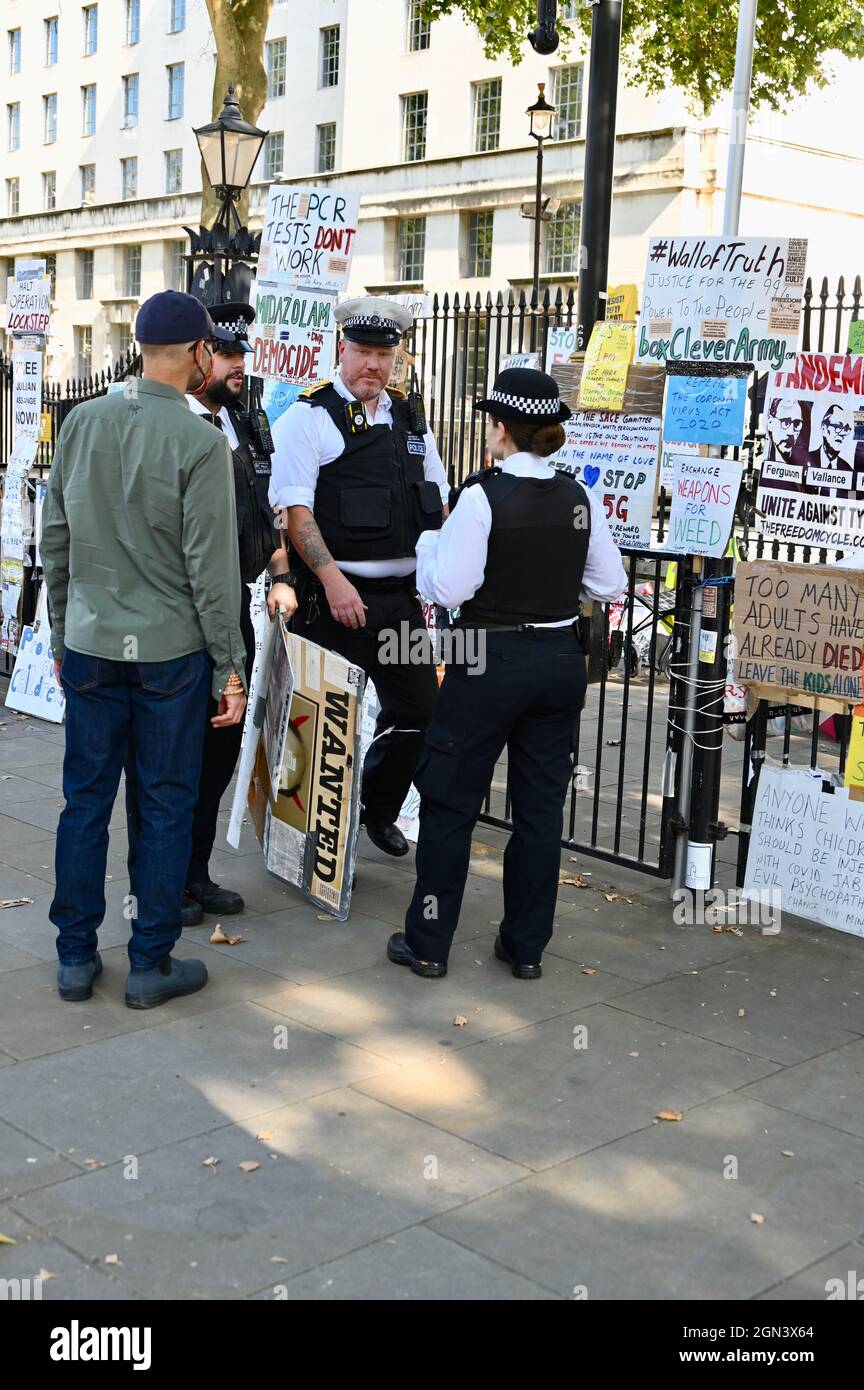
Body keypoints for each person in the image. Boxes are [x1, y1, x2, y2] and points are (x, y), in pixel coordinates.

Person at [40, 290, 249, 1010]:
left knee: (84, 801)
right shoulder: (200, 442)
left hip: (93, 642)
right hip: (168, 653)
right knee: (163, 803)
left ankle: (74, 956)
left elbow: (56, 536)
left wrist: (62, 629)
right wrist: (230, 666)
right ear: (198, 354)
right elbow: (213, 570)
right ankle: (150, 960)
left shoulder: (82, 422)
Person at [386, 367, 627, 980]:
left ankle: (430, 943)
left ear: (501, 430)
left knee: (450, 799)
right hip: (557, 662)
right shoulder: (579, 496)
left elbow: (449, 587)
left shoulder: (482, 496)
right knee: (540, 809)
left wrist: (426, 552)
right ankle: (525, 948)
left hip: (486, 658)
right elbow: (610, 583)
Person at [124, 301, 297, 924]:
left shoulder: (246, 427)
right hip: (179, 615)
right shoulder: (162, 426)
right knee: (166, 754)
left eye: (242, 355)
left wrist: (281, 575)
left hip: (237, 611)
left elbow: (267, 515)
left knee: (220, 748)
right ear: (197, 355)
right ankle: (152, 882)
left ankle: (192, 873)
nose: (237, 366)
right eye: (224, 353)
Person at [269, 296, 449, 857]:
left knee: (420, 711)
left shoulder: (409, 417)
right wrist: (332, 581)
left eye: (384, 355)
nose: (373, 365)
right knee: (319, 724)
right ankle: (304, 838)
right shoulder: (309, 417)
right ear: (341, 351)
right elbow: (296, 513)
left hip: (399, 602)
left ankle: (378, 809)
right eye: (363, 352)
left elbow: (437, 503)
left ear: (398, 358)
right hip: (334, 601)